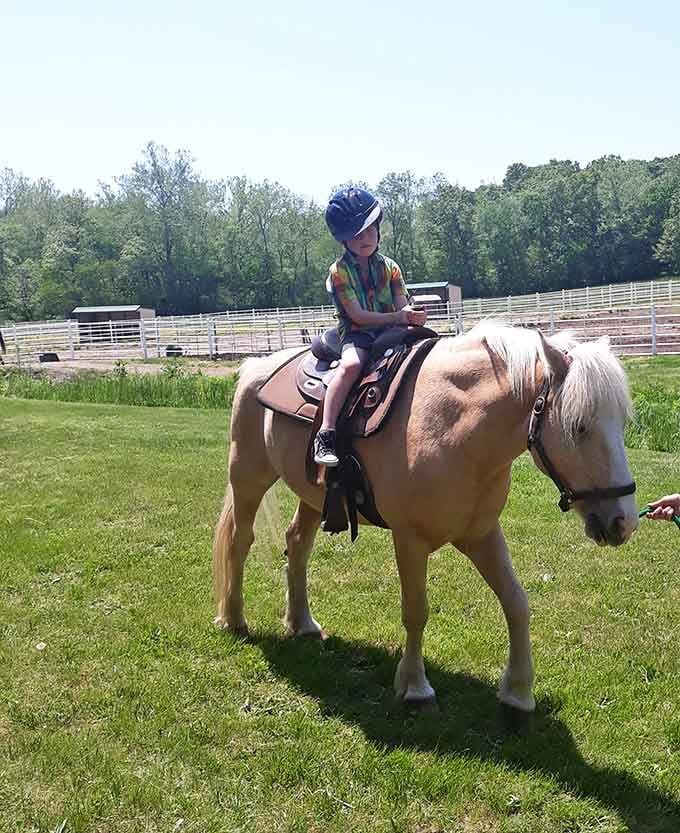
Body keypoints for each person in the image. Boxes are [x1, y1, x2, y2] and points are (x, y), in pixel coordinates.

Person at [313, 187, 428, 467]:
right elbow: (358, 315)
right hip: (358, 333)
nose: (365, 239)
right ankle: (326, 433)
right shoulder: (339, 272)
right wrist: (399, 318)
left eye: (370, 231)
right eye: (357, 235)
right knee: (351, 366)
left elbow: (401, 304)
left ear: (378, 230)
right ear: (344, 240)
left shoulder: (390, 267)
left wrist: (411, 315)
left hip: (393, 330)